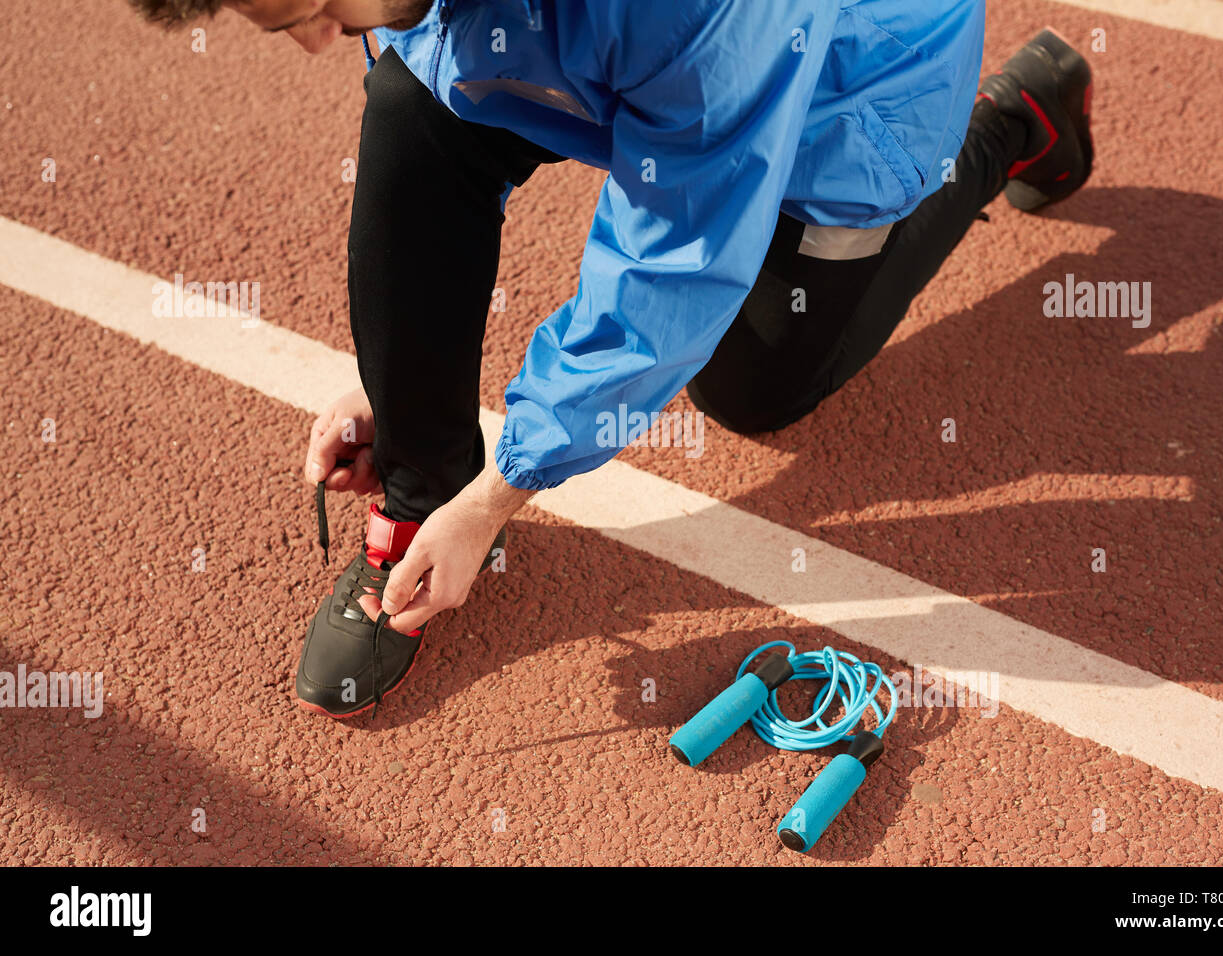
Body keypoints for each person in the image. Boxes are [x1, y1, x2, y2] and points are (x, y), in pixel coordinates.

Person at [127, 0, 1094, 718]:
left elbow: (670, 267)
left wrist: (505, 488)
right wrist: (404, 369)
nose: (311, 40)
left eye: (310, 8)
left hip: (854, 89)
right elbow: (421, 80)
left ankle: (1005, 122)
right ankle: (421, 491)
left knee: (752, 389)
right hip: (636, 50)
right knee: (413, 97)